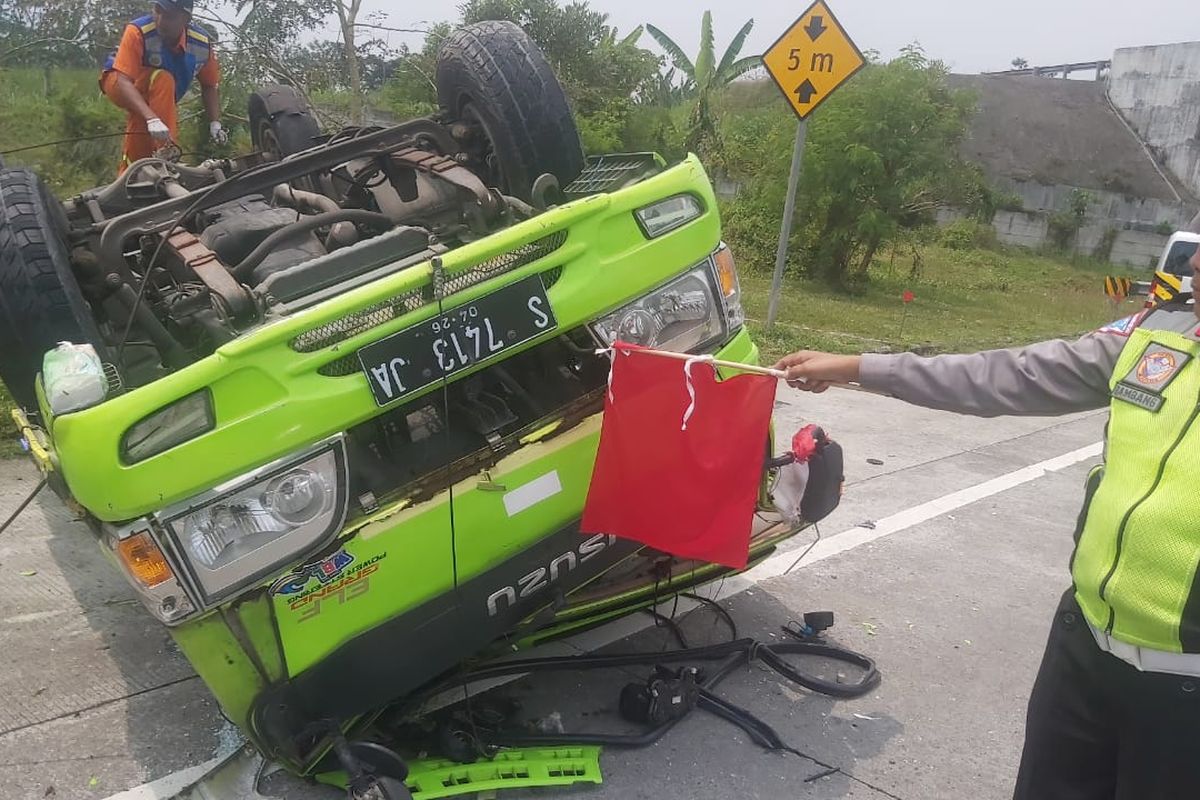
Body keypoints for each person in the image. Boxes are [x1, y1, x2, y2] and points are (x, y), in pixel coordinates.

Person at [774, 245, 1200, 799]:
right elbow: (1010, 375)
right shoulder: (1164, 324)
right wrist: (859, 368)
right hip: (1085, 645)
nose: (1194, 261)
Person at [99, 0, 226, 174]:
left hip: (152, 94)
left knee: (143, 127)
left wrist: (215, 123)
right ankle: (168, 157)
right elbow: (122, 79)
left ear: (186, 20)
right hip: (118, 80)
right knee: (163, 79)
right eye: (157, 11)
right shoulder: (138, 31)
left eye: (169, 16)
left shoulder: (201, 44)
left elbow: (209, 85)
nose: (160, 20)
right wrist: (152, 118)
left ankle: (129, 174)